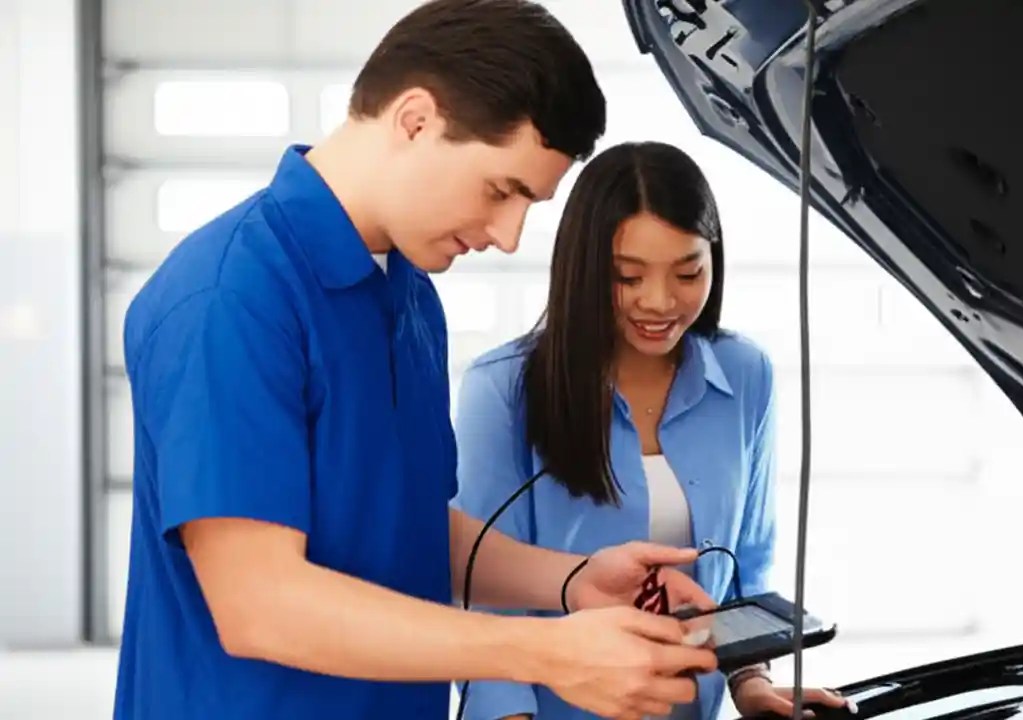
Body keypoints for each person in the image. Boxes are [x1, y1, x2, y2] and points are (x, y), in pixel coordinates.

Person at [112, 3, 720, 720]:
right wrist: (543, 653)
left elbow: (405, 527)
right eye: (502, 191)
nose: (509, 235)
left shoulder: (409, 297)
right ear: (414, 120)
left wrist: (572, 580)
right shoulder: (230, 297)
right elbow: (260, 604)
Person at [451, 142, 847, 720]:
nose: (659, 302)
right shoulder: (502, 388)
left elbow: (745, 566)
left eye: (688, 272)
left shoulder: (745, 374)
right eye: (628, 277)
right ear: (582, 271)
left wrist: (753, 684)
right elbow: (481, 589)